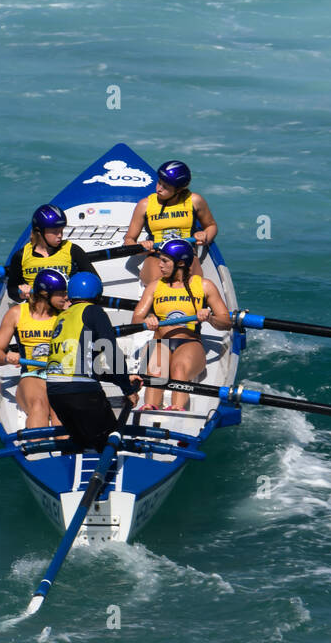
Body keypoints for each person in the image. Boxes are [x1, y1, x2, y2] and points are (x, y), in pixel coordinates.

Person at [132, 238, 232, 412]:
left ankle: (177, 409)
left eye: (164, 261)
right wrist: (147, 319)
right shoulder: (155, 286)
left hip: (190, 344)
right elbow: (136, 319)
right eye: (159, 260)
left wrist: (209, 318)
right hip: (160, 342)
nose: (159, 265)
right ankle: (149, 408)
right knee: (156, 372)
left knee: (179, 369)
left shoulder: (204, 286)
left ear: (180, 263)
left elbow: (226, 322)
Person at [45, 272, 141, 450]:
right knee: (110, 443)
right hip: (82, 393)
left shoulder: (62, 317)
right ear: (97, 295)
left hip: (54, 393)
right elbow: (112, 353)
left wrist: (121, 378)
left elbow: (86, 366)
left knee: (82, 443)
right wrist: (128, 390)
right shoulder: (94, 311)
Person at [0, 269, 68, 430]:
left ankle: (67, 452)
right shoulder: (17, 313)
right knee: (39, 406)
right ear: (45, 294)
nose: (66, 297)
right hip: (32, 375)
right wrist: (7, 358)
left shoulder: (66, 315)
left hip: (61, 374)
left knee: (60, 411)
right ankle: (36, 449)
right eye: (61, 293)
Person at [122, 160, 218, 286]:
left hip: (186, 255)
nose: (159, 189)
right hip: (157, 255)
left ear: (178, 190)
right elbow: (129, 239)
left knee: (191, 285)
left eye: (165, 187)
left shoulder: (195, 201)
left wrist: (205, 236)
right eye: (159, 183)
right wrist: (141, 248)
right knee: (158, 286)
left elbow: (211, 226)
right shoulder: (144, 205)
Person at [4, 204, 96, 303]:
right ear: (39, 231)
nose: (60, 235)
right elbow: (12, 290)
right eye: (55, 231)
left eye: (61, 230)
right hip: (36, 311)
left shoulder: (73, 251)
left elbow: (94, 281)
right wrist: (21, 294)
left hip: (66, 309)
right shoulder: (21, 256)